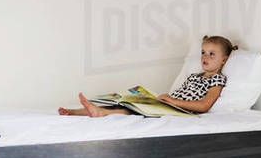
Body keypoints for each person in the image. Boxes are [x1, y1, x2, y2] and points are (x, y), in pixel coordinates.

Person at [58, 35, 235, 116]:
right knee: (126, 102)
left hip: (181, 111)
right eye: (203, 52)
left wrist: (173, 102)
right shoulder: (194, 76)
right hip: (169, 105)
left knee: (131, 109)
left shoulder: (217, 79)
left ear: (224, 60)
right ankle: (75, 112)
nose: (205, 56)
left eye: (212, 54)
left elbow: (204, 106)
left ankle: (99, 113)